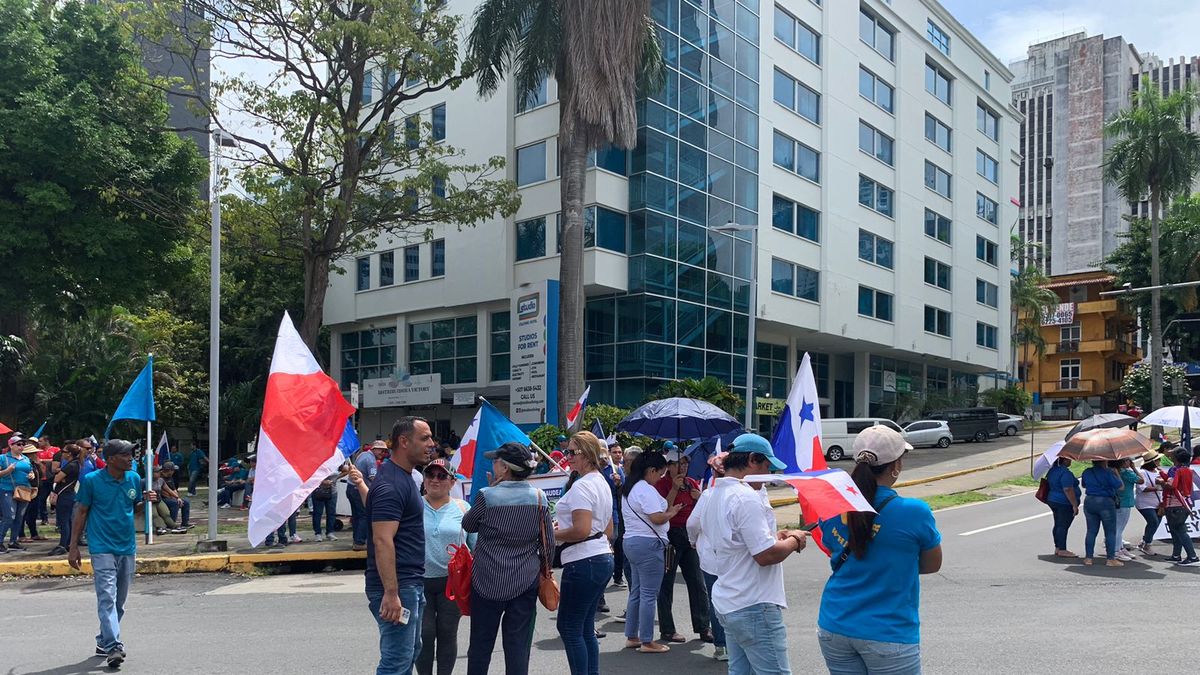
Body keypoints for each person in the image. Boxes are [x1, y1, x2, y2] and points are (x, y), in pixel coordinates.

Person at [817, 426, 942, 675]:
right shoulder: (914, 512)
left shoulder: (832, 505)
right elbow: (932, 564)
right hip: (888, 632)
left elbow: (833, 547)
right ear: (895, 466)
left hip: (834, 624)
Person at [699, 434, 806, 674]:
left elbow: (739, 543)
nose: (768, 475)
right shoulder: (745, 496)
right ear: (752, 460)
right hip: (754, 603)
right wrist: (795, 539)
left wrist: (776, 537)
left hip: (730, 600)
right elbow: (766, 555)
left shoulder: (713, 494)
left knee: (739, 670)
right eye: (767, 466)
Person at [461, 442, 551, 675]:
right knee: (517, 646)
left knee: (480, 645)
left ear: (504, 468)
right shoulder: (539, 497)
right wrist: (544, 571)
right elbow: (548, 543)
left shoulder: (487, 495)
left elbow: (468, 525)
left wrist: (492, 490)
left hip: (487, 579)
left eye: (496, 461)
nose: (493, 464)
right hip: (525, 579)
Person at [68, 439, 158, 668]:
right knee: (107, 597)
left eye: (130, 454)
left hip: (127, 546)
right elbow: (81, 512)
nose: (130, 459)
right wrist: (73, 546)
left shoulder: (134, 478)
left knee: (119, 602)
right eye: (125, 455)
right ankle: (114, 646)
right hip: (101, 547)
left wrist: (146, 500)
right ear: (110, 459)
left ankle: (103, 640)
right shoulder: (92, 480)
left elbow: (133, 507)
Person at [366, 417, 436, 675]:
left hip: (409, 583)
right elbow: (382, 540)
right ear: (404, 442)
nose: (431, 444)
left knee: (409, 653)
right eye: (425, 438)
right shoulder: (391, 484)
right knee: (396, 661)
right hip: (398, 587)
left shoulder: (404, 477)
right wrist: (391, 593)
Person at [554, 431, 614, 675]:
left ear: (587, 455)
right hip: (600, 556)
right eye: (567, 452)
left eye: (572, 452)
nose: (568, 457)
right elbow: (607, 529)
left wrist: (551, 533)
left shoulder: (582, 486)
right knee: (584, 627)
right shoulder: (601, 482)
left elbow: (581, 530)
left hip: (583, 560)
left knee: (569, 628)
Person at [620, 450, 680, 654]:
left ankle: (632, 636)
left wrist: (672, 495)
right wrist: (671, 513)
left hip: (632, 542)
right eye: (660, 473)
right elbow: (657, 518)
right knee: (648, 594)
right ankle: (647, 640)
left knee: (637, 592)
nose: (661, 477)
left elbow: (659, 508)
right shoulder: (645, 489)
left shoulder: (631, 487)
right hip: (648, 544)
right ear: (651, 470)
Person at [417, 458, 474, 675]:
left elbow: (475, 545)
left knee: (448, 632)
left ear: (452, 482)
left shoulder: (463, 508)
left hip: (453, 583)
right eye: (430, 475)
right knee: (425, 633)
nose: (435, 480)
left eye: (442, 476)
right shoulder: (413, 505)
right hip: (419, 581)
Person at [654, 450, 710, 644]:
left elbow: (702, 509)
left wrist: (699, 497)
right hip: (671, 535)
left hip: (689, 534)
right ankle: (667, 630)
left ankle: (703, 626)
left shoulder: (691, 483)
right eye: (679, 464)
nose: (683, 467)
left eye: (685, 464)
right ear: (669, 466)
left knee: (697, 582)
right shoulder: (662, 484)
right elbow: (662, 509)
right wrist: (674, 489)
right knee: (666, 584)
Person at [686, 449, 729, 662]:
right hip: (736, 561)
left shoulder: (708, 495)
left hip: (711, 560)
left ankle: (721, 646)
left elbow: (692, 524)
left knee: (716, 601)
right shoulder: (746, 493)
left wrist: (693, 540)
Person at [1080, 459, 1124, 567]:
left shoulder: (1087, 471)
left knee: (1091, 531)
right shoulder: (1108, 472)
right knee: (1110, 532)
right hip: (1105, 501)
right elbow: (1120, 487)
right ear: (1104, 461)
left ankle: (1088, 558)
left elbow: (1084, 485)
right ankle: (1110, 559)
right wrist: (1117, 474)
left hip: (1089, 500)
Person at [1162, 447, 1199, 566]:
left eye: (1173, 455)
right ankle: (1176, 555)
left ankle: (1192, 556)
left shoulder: (1175, 470)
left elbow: (1172, 485)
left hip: (1175, 503)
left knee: (1179, 530)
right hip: (1185, 502)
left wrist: (1162, 482)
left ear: (1176, 458)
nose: (1170, 456)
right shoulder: (1188, 470)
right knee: (1175, 530)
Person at [0, 436, 36, 552]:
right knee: (9, 516)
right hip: (7, 489)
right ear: (11, 445)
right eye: (18, 444)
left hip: (24, 490)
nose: (21, 447)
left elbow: (30, 471)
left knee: (19, 517)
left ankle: (13, 541)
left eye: (23, 444)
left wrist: (32, 475)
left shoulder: (25, 459)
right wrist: (7, 471)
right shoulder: (3, 458)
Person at [352, 440, 388, 551]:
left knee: (357, 516)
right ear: (374, 449)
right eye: (381, 450)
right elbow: (373, 479)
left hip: (351, 488)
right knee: (364, 515)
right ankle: (359, 542)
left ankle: (356, 539)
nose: (383, 453)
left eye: (385, 451)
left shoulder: (362, 455)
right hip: (358, 489)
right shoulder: (371, 460)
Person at [49, 442, 82, 556]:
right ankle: (68, 543)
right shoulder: (76, 464)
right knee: (68, 520)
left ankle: (63, 544)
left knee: (64, 521)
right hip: (69, 494)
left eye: (64, 451)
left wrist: (59, 477)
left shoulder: (71, 465)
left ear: (69, 454)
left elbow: (56, 479)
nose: (62, 453)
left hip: (65, 495)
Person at [1045, 457, 1080, 558]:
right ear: (1064, 460)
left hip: (1053, 499)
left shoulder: (1052, 470)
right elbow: (1068, 489)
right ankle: (1062, 549)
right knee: (1063, 525)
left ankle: (1058, 546)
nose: (1071, 461)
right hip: (1064, 502)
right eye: (1069, 459)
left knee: (1058, 524)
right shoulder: (1065, 473)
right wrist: (1074, 505)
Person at [1135, 450, 1166, 555]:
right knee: (1153, 522)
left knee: (1155, 523)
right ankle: (1147, 545)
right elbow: (1141, 488)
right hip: (1145, 503)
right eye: (1157, 460)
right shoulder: (1143, 473)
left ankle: (1144, 541)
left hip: (1158, 503)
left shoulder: (1158, 472)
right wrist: (1157, 488)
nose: (1159, 462)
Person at [1112, 458, 1143, 561]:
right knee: (1119, 528)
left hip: (1117, 501)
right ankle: (1116, 550)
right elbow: (1141, 480)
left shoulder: (1113, 472)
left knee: (1118, 527)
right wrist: (1134, 468)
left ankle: (1120, 548)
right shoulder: (1127, 473)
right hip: (1125, 502)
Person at [18, 440, 47, 542]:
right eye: (34, 453)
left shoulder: (34, 464)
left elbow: (42, 474)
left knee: (33, 512)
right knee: (24, 512)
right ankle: (21, 534)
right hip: (27, 489)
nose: (36, 454)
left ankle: (33, 533)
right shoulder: (24, 464)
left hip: (36, 490)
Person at [155, 463, 191, 530]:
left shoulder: (170, 478)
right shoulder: (160, 478)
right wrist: (174, 499)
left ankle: (185, 523)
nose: (174, 472)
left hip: (171, 497)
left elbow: (173, 489)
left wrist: (178, 498)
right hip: (162, 498)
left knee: (186, 502)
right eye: (173, 470)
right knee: (174, 503)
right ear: (169, 470)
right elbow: (163, 492)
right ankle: (171, 524)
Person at [310, 470, 339, 541]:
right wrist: (322, 481)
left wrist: (335, 478)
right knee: (317, 513)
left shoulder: (337, 464)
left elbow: (346, 470)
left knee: (331, 513)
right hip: (318, 491)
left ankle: (330, 532)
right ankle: (318, 533)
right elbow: (311, 474)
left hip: (332, 492)